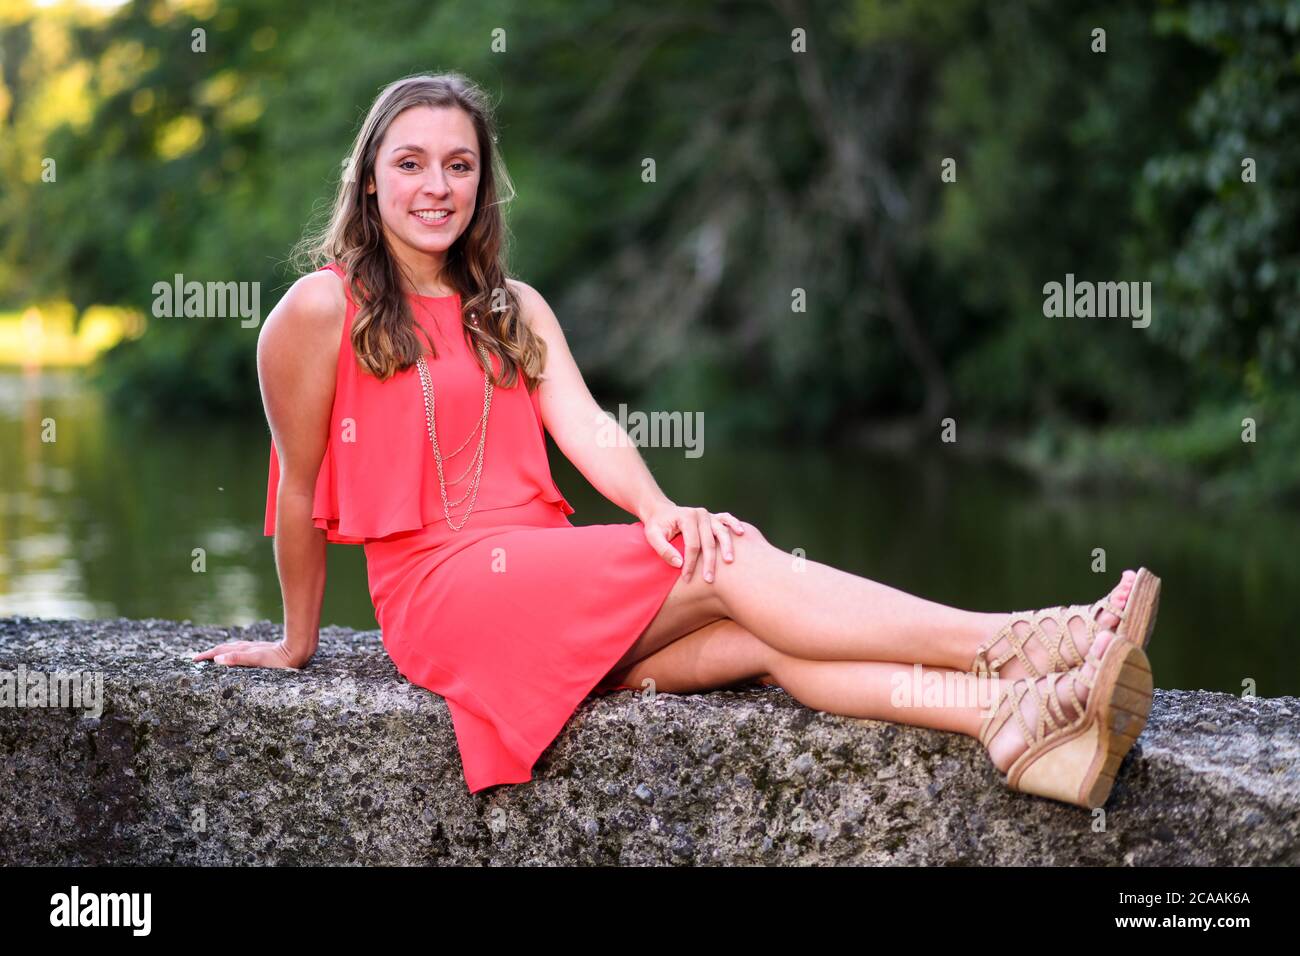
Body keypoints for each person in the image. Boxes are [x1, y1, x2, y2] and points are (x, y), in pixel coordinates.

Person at [192, 72, 1159, 810]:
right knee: (731, 559)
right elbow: (295, 487)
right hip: (443, 595)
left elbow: (586, 426)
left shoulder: (510, 307)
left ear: (483, 182)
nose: (436, 186)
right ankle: (1028, 643)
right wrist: (296, 642)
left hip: (542, 566)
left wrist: (658, 511)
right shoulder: (320, 309)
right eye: (410, 163)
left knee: (756, 637)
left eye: (459, 164)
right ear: (368, 177)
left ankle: (1009, 724)